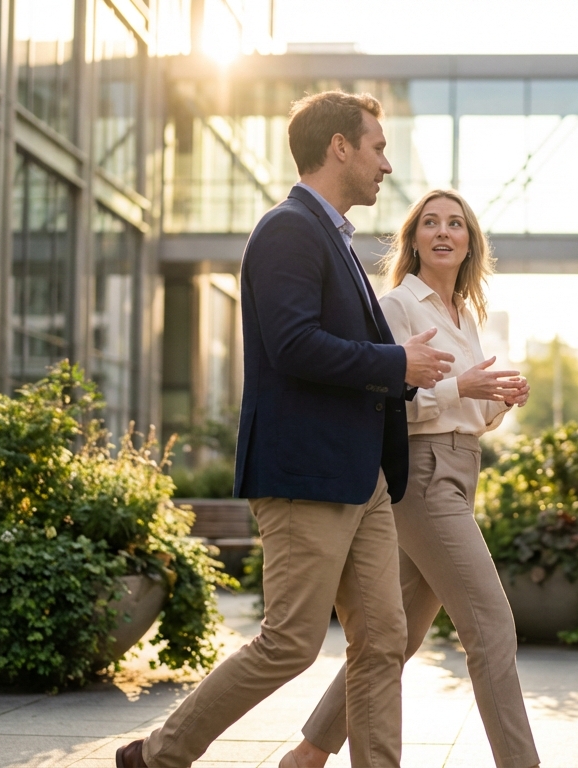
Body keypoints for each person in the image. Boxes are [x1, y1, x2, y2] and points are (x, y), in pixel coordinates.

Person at [116, 91, 455, 768]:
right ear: (340, 147)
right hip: (307, 477)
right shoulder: (287, 231)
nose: (386, 164)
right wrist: (396, 360)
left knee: (384, 641)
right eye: (378, 147)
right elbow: (294, 344)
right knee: (291, 641)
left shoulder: (331, 237)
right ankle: (159, 756)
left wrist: (407, 372)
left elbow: (338, 355)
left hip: (361, 481)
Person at [280, 190, 541, 768]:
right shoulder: (397, 306)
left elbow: (463, 407)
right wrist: (459, 388)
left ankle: (307, 754)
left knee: (391, 639)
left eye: (455, 223)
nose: (443, 232)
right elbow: (386, 398)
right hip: (422, 475)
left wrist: (498, 399)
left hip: (459, 469)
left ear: (471, 241)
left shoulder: (465, 315)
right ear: (414, 239)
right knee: (492, 627)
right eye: (430, 223)